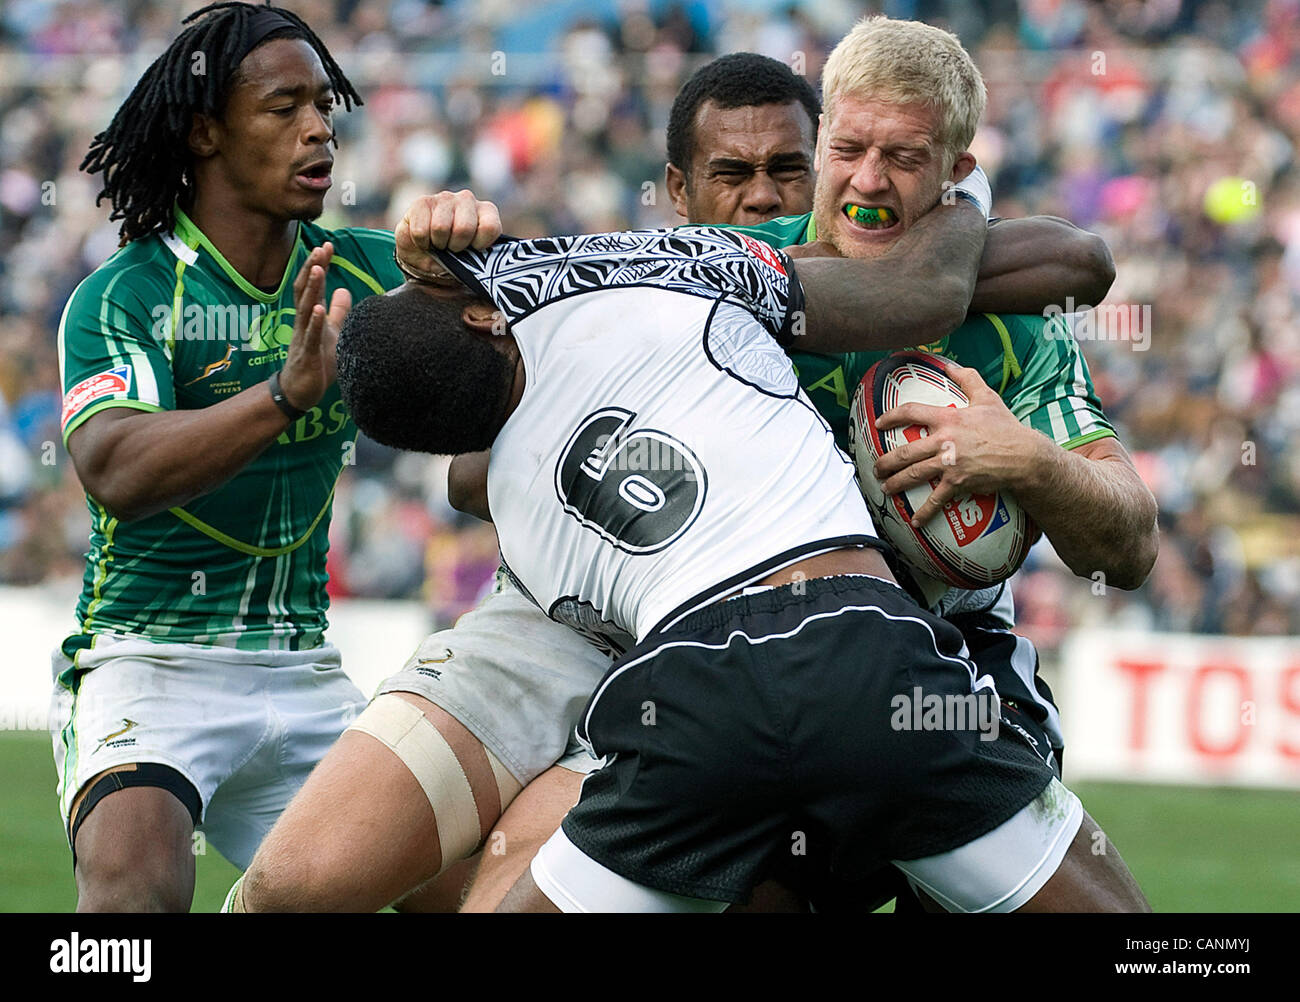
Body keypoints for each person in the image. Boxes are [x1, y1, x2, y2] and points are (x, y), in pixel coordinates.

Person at [231, 30, 1140, 913]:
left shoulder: (1012, 318)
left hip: (901, 655)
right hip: (625, 635)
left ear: (956, 168)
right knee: (312, 881)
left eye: (903, 158)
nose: (860, 181)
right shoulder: (721, 268)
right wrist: (451, 257)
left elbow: (1081, 288)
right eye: (847, 151)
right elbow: (477, 460)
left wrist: (1035, 462)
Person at [334, 215, 1149, 913]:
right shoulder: (665, 282)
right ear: (481, 319)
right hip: (862, 645)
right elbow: (952, 286)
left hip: (692, 695)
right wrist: (963, 205)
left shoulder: (512, 502)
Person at [50, 1, 415, 912]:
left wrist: (470, 253)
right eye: (283, 106)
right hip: (149, 662)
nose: (319, 126)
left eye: (323, 105)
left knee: (462, 890)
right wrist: (283, 395)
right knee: (132, 899)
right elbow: (116, 469)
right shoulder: (124, 296)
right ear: (206, 131)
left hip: (304, 667)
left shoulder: (368, 272)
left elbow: (531, 299)